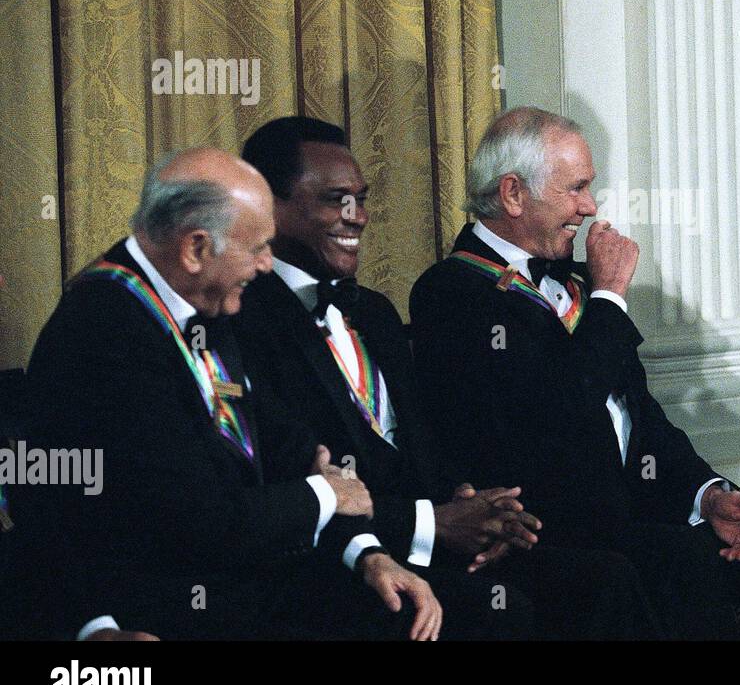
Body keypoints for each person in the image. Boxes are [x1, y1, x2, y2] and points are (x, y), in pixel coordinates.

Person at [409, 107, 740, 639]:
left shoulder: (579, 285)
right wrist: (608, 298)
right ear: (513, 194)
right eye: (576, 189)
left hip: (644, 522)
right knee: (678, 561)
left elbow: (642, 420)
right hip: (557, 534)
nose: (590, 207)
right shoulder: (452, 292)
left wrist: (707, 495)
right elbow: (561, 411)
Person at [235, 116, 646, 639]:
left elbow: (427, 438)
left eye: (361, 199)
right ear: (268, 207)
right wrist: (433, 523)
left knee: (600, 582)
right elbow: (284, 481)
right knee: (505, 612)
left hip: (432, 536)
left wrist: (472, 505)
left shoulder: (376, 313)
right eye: (335, 199)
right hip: (330, 562)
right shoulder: (240, 320)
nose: (356, 216)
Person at [22, 148, 440, 640]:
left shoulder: (202, 298)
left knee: (444, 612)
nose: (267, 265)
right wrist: (326, 493)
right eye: (258, 248)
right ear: (196, 249)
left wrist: (367, 553)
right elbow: (197, 516)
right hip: (151, 596)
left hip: (242, 567)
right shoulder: (105, 330)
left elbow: (281, 439)